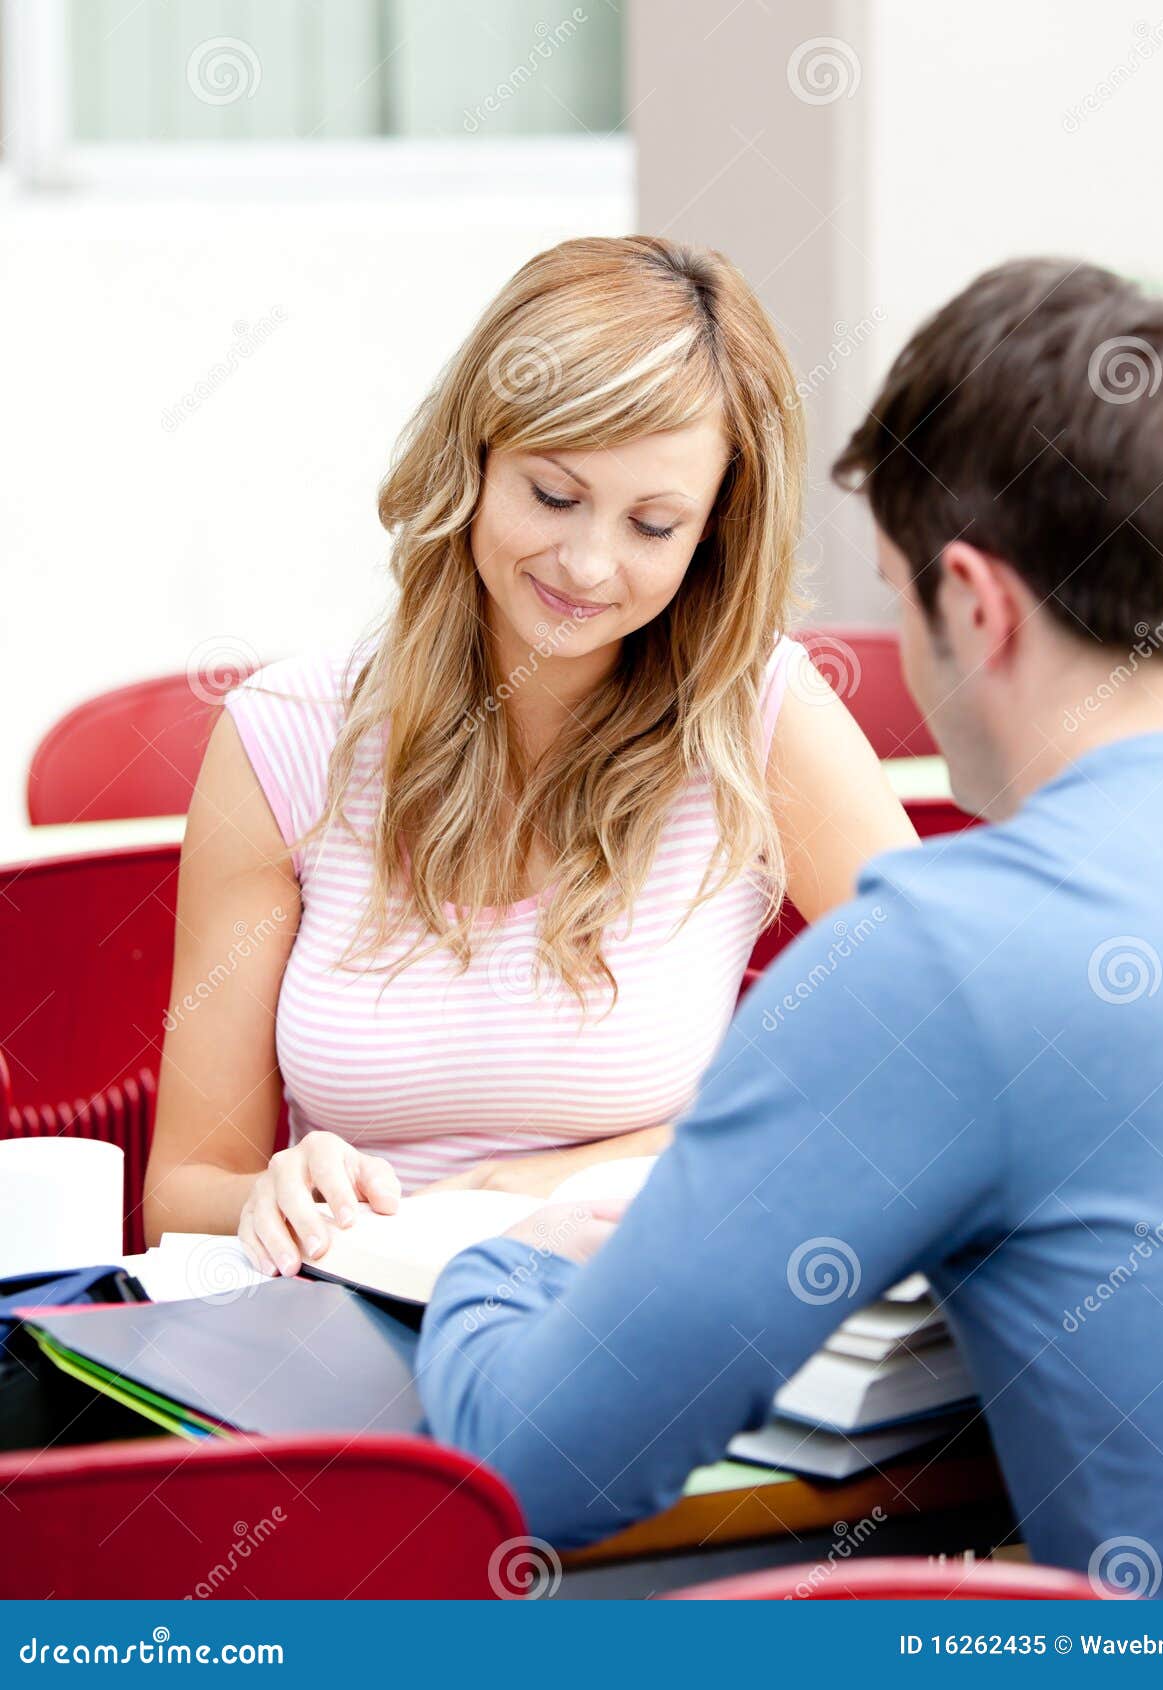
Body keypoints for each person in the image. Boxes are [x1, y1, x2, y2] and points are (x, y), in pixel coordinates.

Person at [415, 257, 1163, 1598]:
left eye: (897, 592)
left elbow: (538, 1467)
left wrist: (503, 1256)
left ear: (973, 601)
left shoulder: (949, 957)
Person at [143, 235, 914, 1273]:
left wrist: (541, 1182)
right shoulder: (286, 736)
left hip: (632, 1321)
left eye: (653, 524)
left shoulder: (756, 716)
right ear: (473, 459)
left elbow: (959, 1058)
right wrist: (263, 1197)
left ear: (712, 538)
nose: (588, 564)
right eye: (553, 496)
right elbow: (182, 1194)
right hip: (346, 1334)